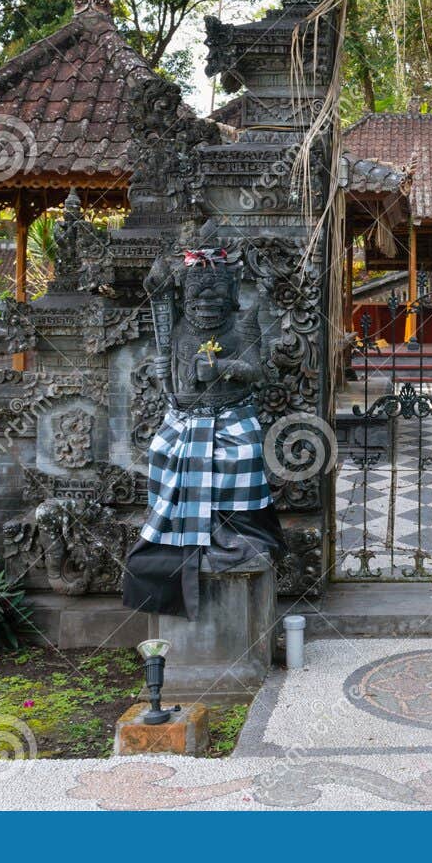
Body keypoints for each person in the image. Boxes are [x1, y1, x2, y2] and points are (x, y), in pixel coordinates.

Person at [121, 235, 285, 618]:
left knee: (242, 456)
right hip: (184, 418)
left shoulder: (242, 325)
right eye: (197, 297)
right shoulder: (178, 328)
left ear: (230, 294)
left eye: (215, 296)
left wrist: (223, 368)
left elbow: (257, 373)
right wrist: (169, 376)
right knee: (162, 451)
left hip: (232, 418)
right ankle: (174, 528)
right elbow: (157, 289)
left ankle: (232, 531)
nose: (206, 304)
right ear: (185, 298)